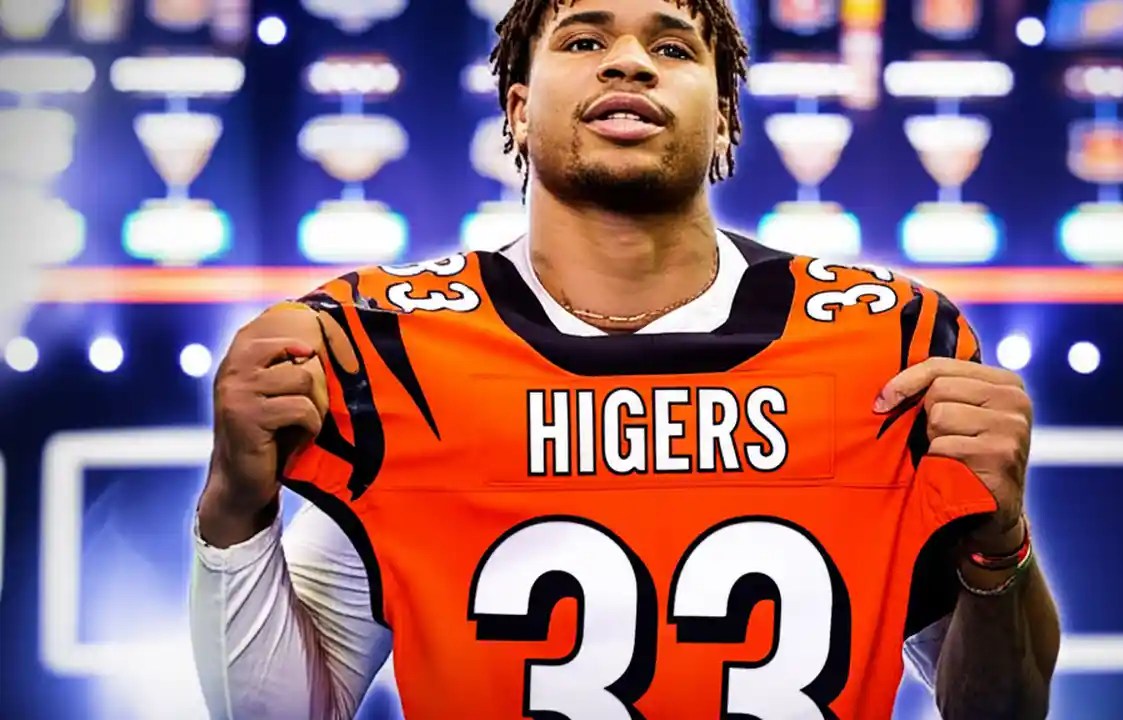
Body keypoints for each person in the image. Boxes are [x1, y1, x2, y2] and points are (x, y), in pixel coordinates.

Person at [189, 0, 1061, 717]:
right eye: (585, 38)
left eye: (672, 45)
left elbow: (1000, 713)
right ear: (518, 105)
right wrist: (236, 503)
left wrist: (999, 545)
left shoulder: (886, 342)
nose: (630, 62)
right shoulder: (390, 350)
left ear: (723, 110)